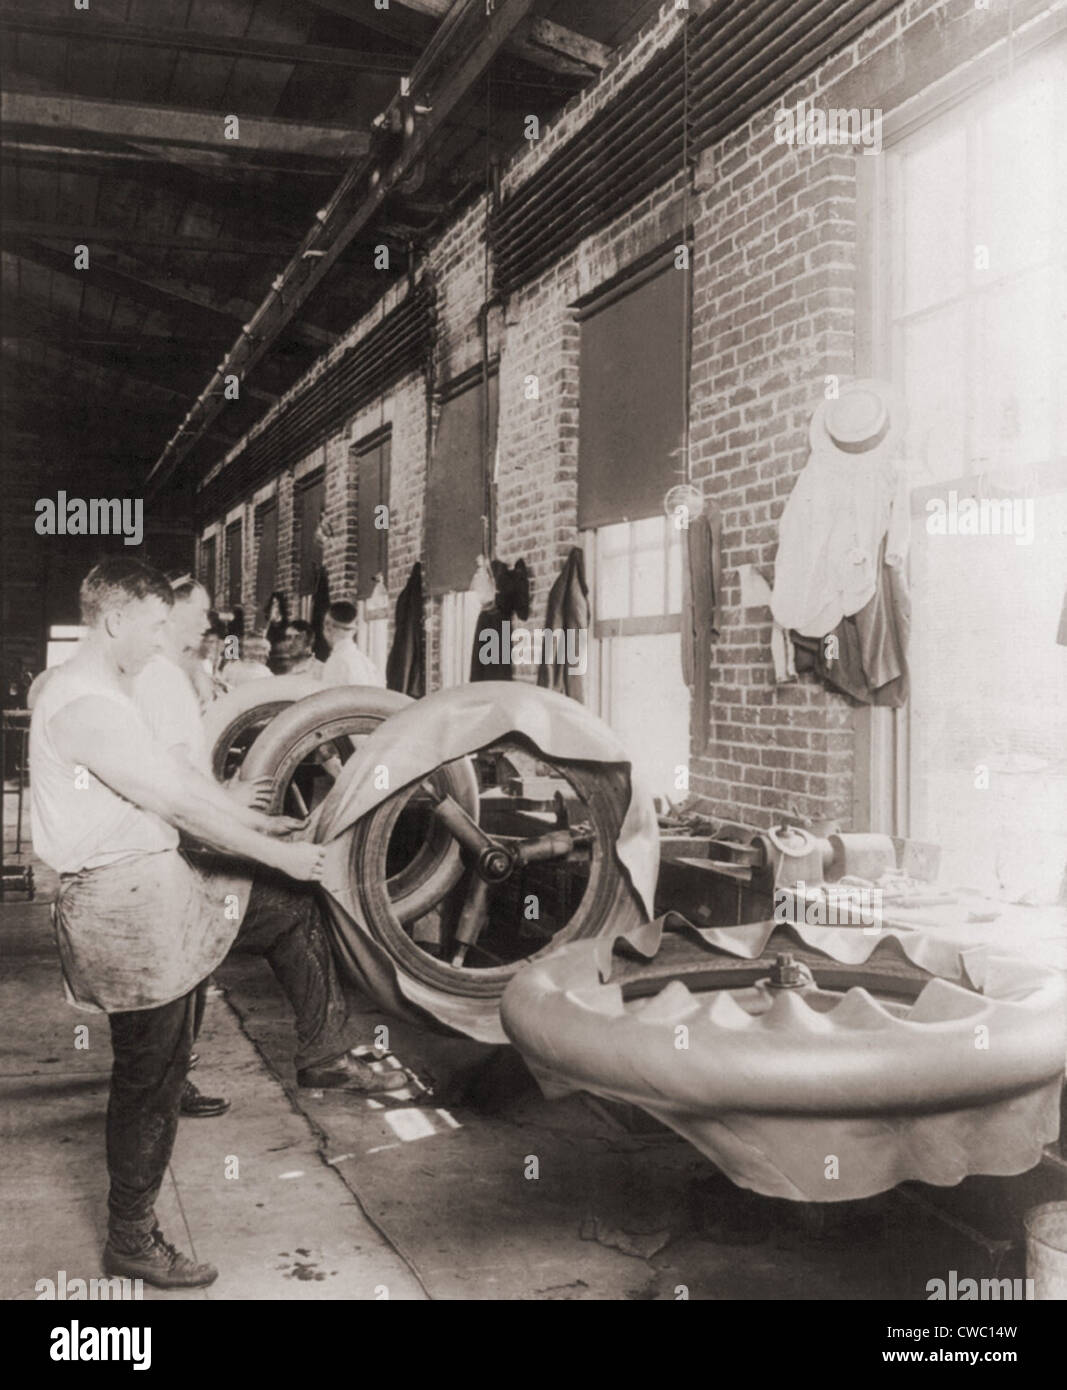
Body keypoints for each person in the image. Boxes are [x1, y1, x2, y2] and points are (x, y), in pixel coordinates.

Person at [30, 558, 406, 1291]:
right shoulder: (85, 705)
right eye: (152, 625)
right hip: (122, 910)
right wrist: (280, 854)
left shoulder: (110, 689)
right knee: (150, 1078)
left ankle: (315, 1047)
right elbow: (177, 801)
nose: (162, 638)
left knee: (175, 1052)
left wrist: (258, 819)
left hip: (151, 889)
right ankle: (131, 1238)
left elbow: (181, 788)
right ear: (115, 620)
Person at [321, 600, 386, 688]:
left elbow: (330, 700)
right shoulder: (366, 662)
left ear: (328, 627)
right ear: (354, 630)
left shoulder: (335, 663)